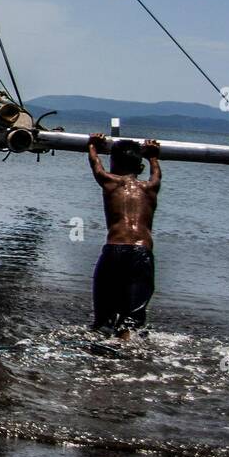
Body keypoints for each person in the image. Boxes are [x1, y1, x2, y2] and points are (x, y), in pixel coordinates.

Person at [87, 134, 161, 339]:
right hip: (141, 251)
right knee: (133, 316)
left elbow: (95, 165)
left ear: (114, 163)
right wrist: (153, 156)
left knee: (104, 314)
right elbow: (157, 174)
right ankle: (128, 345)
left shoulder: (109, 182)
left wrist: (92, 145)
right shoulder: (150, 187)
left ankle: (101, 346)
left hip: (115, 249)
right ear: (139, 165)